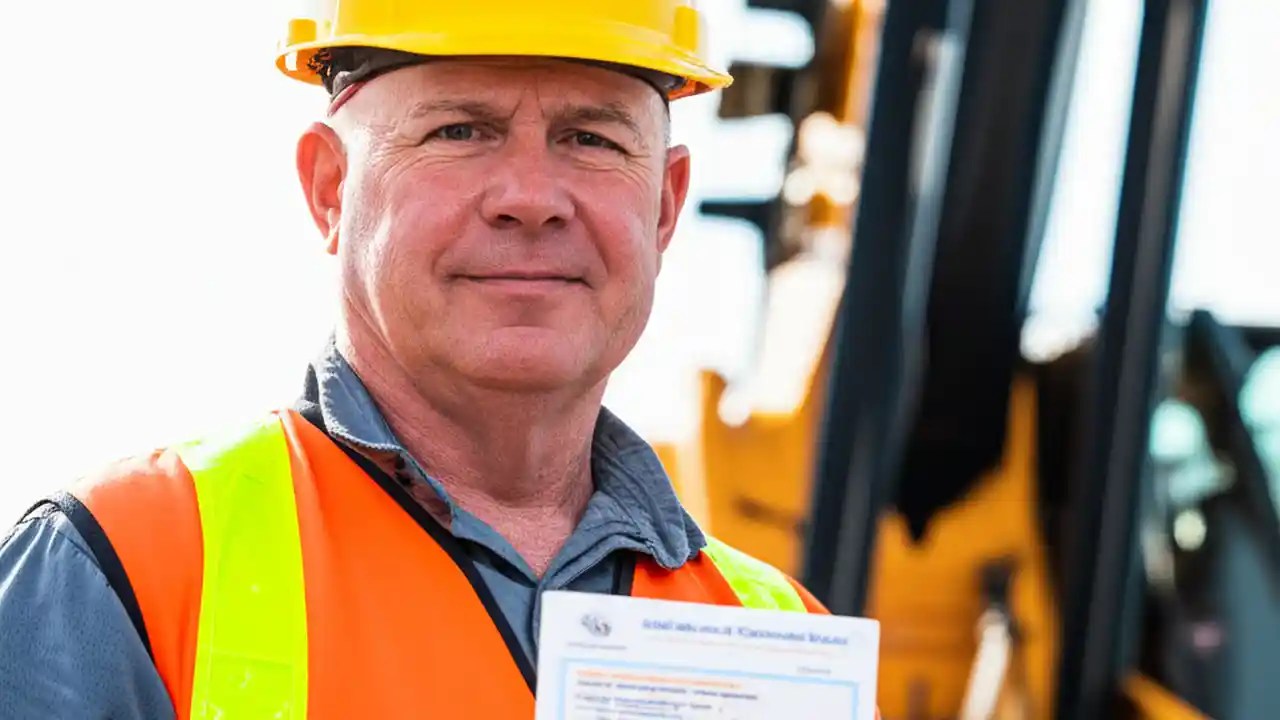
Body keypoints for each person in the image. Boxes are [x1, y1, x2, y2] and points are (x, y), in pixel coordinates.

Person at [0, 2, 845, 718]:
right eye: (461, 130)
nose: (531, 200)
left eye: (589, 139)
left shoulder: (784, 644)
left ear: (663, 208)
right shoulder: (122, 570)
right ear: (330, 187)